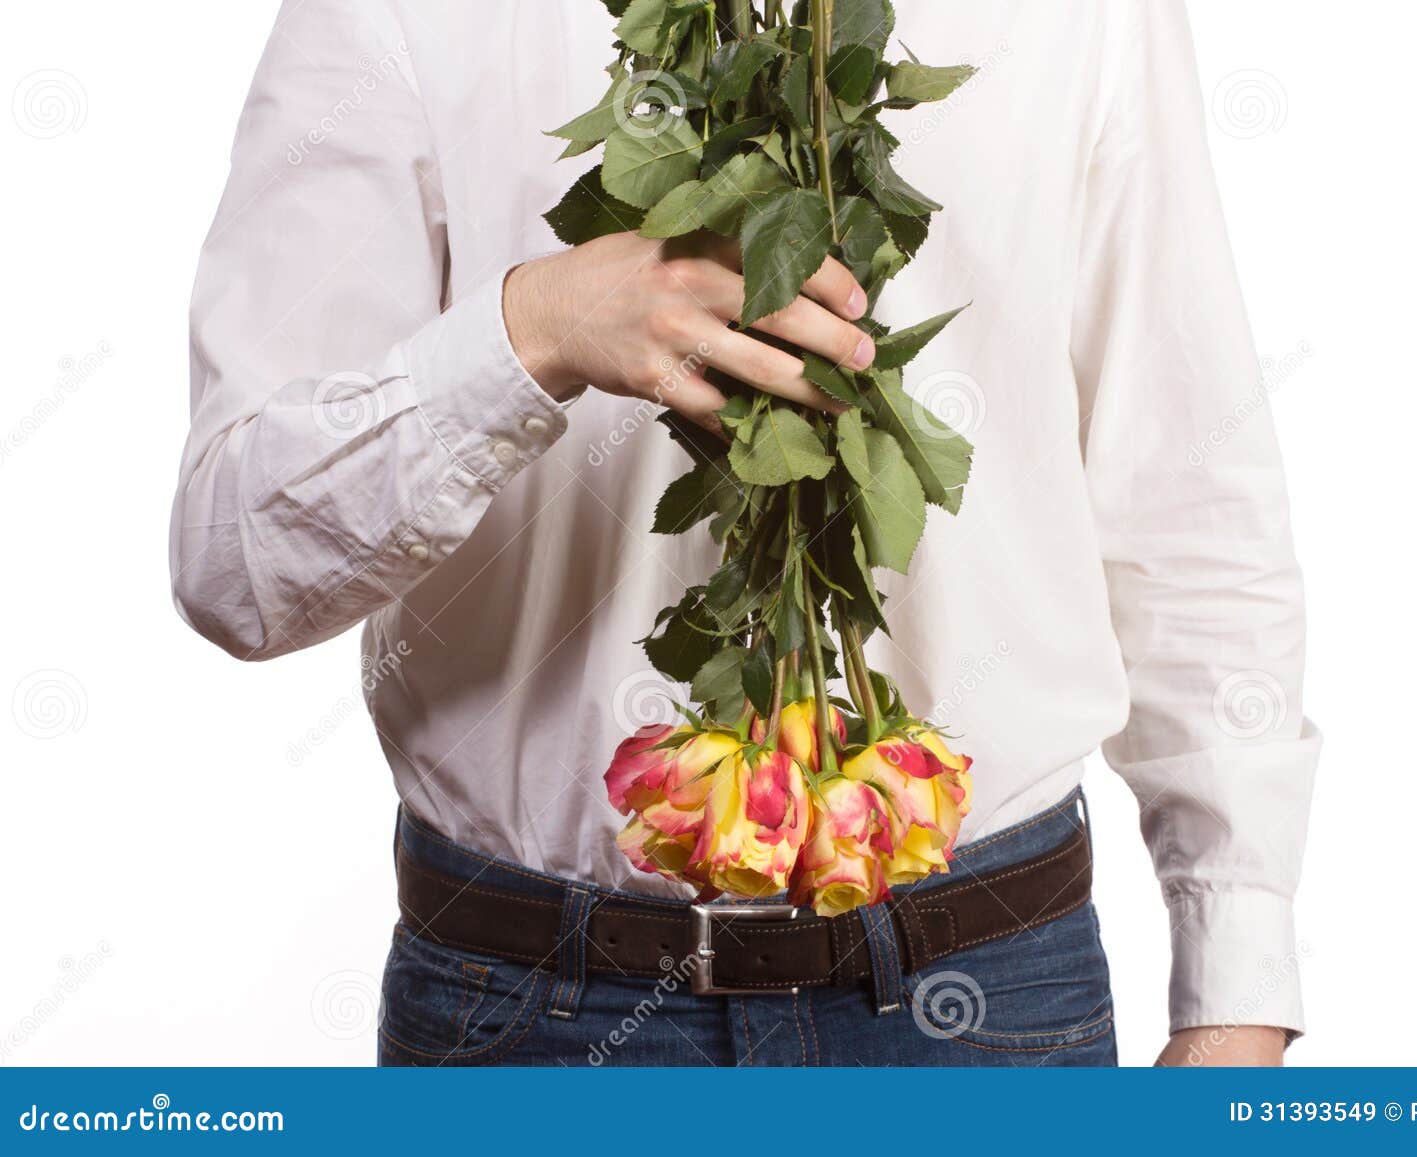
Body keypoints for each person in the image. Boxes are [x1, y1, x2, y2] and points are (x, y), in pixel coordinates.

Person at [171, 0, 1319, 1067]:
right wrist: (531, 330)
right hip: (533, 1002)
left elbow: (1182, 471)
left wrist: (1237, 988)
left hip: (984, 989)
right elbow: (235, 566)